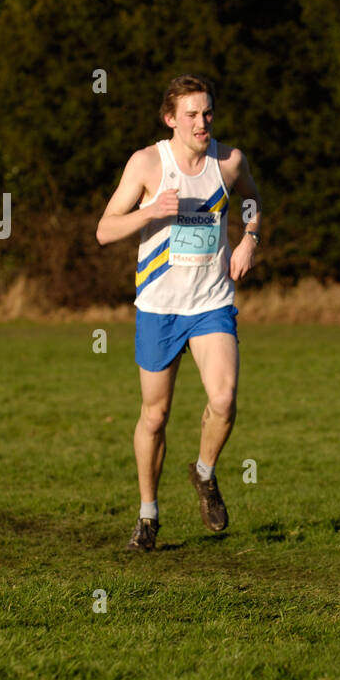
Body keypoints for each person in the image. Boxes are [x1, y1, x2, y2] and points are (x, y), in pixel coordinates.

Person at [96, 74, 263, 550]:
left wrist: (250, 238)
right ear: (171, 119)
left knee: (225, 398)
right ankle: (148, 516)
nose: (201, 122)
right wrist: (151, 211)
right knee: (155, 415)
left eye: (207, 112)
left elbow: (252, 200)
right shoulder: (148, 164)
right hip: (159, 307)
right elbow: (105, 230)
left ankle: (205, 472)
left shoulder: (229, 162)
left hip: (211, 301)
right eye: (191, 114)